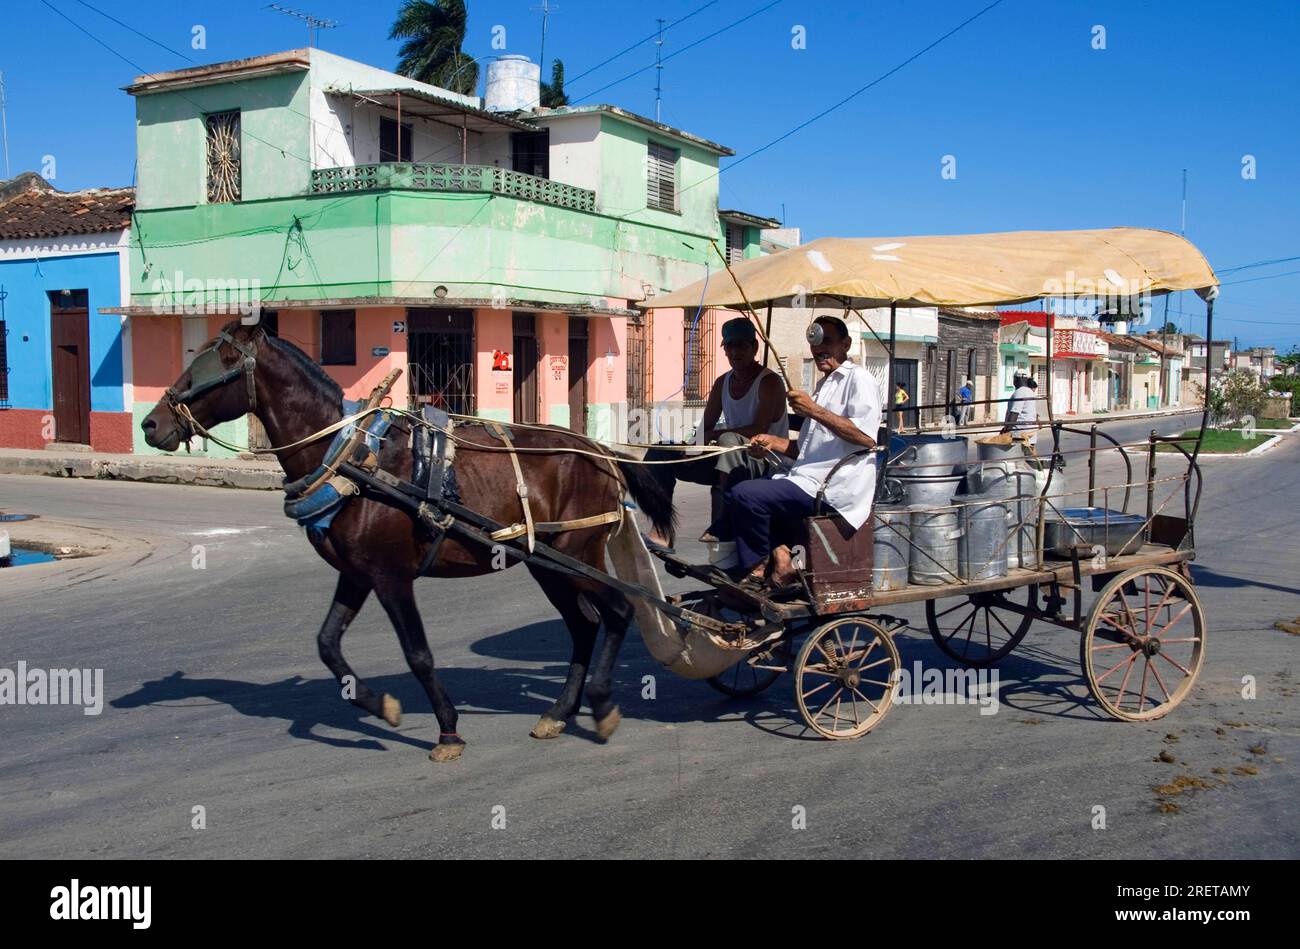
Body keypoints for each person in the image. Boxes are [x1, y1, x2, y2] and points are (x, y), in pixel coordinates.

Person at [724, 316, 882, 591]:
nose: (819, 348)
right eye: (815, 342)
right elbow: (806, 449)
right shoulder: (823, 386)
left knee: (746, 496)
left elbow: (866, 437)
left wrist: (813, 411)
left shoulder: (860, 379)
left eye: (828, 341)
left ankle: (757, 568)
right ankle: (782, 559)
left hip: (834, 487)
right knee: (736, 485)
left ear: (846, 344)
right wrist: (772, 442)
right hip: (806, 478)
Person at [644, 317, 787, 549]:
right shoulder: (723, 382)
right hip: (727, 457)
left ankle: (724, 523)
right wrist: (691, 449)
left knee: (727, 439)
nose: (734, 352)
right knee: (661, 452)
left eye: (741, 345)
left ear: (754, 347)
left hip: (764, 459)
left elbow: (759, 430)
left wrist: (716, 433)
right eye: (729, 346)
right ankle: (662, 528)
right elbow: (706, 426)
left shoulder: (769, 382)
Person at [1001, 371, 1039, 447]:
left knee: (1015, 457)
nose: (1014, 381)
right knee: (1028, 458)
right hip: (1029, 434)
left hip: (1019, 435)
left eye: (1014, 379)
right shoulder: (1030, 391)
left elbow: (1014, 413)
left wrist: (1006, 432)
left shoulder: (1019, 392)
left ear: (1018, 379)